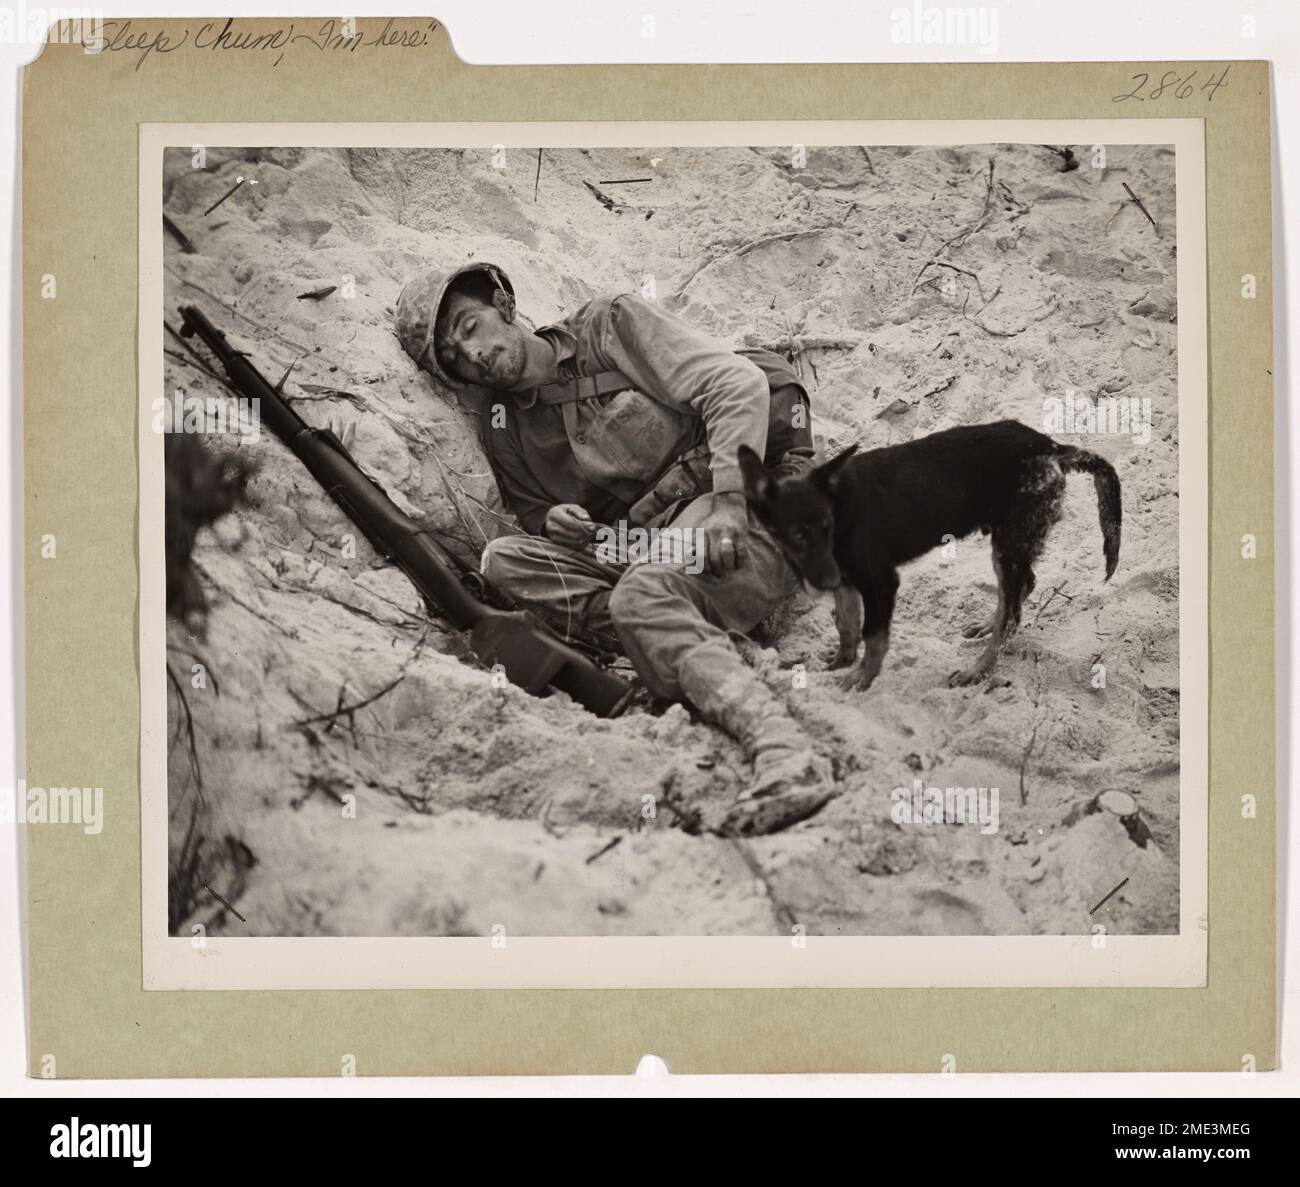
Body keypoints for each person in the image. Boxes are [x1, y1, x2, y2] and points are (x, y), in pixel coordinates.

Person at [392, 261, 837, 835]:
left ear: (503, 304)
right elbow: (531, 522)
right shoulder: (503, 429)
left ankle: (784, 750)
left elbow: (737, 386)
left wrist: (729, 501)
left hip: (743, 499)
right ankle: (666, 626)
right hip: (643, 545)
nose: (469, 355)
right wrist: (555, 522)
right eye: (452, 356)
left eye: (469, 327)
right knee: (504, 562)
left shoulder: (608, 325)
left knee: (647, 591)